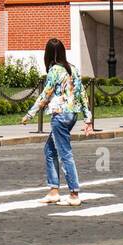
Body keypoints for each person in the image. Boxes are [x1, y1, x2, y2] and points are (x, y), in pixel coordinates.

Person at [22, 38, 93, 206]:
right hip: (72, 115)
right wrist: (88, 119)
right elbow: (82, 94)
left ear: (48, 54)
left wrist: (29, 114)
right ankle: (54, 190)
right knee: (49, 150)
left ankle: (74, 193)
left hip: (60, 115)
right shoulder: (73, 69)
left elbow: (45, 94)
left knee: (65, 154)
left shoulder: (54, 70)